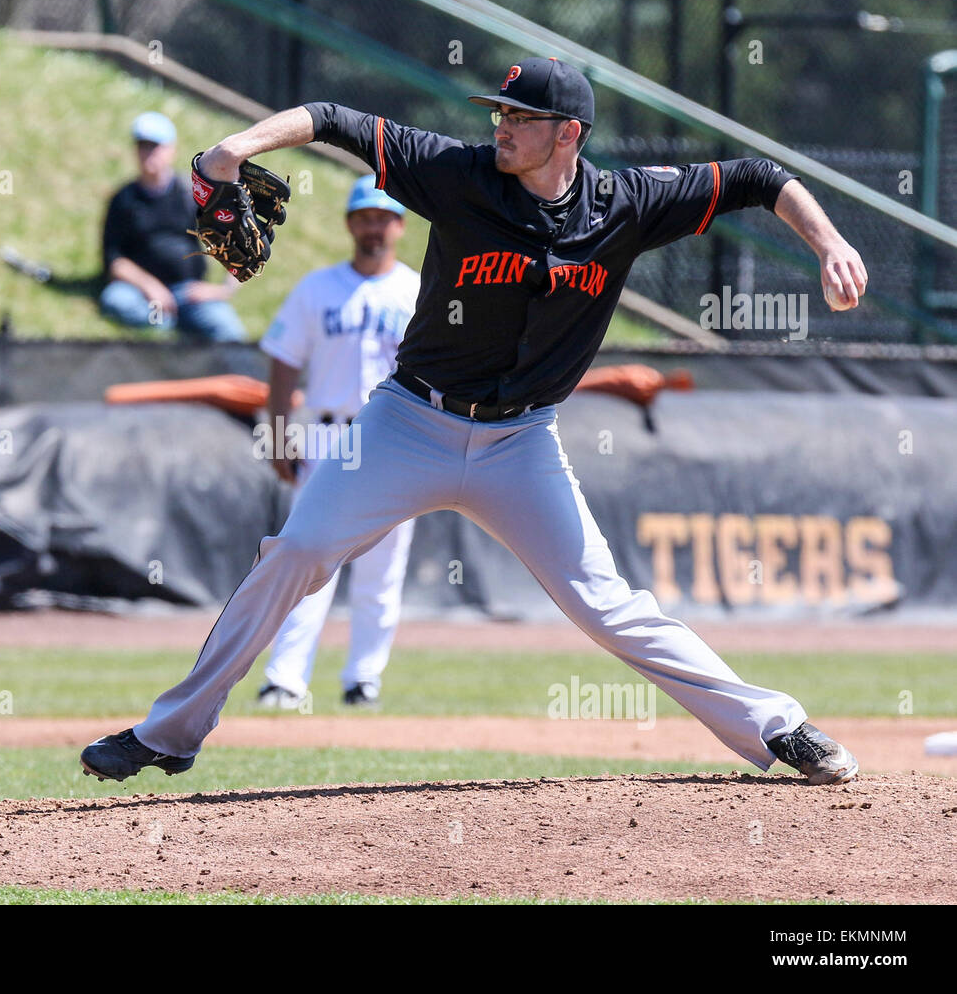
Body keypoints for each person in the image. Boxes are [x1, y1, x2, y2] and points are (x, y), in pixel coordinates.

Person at [82, 57, 869, 786]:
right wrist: (228, 150)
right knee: (298, 549)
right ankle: (170, 732)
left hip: (522, 442)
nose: (501, 126)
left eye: (520, 117)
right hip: (409, 420)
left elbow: (761, 178)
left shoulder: (628, 203)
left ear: (570, 134)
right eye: (498, 112)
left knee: (605, 603)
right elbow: (329, 117)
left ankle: (778, 725)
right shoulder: (455, 175)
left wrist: (828, 242)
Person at [256, 176, 420, 711]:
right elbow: (283, 361)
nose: (373, 226)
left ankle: (363, 678)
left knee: (383, 566)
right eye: (364, 216)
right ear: (350, 223)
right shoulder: (317, 287)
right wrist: (279, 434)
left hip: (396, 440)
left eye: (383, 216)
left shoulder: (419, 291)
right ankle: (284, 678)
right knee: (307, 558)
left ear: (399, 225)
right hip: (328, 435)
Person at [99, 112, 244, 342]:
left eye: (154, 146)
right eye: (142, 146)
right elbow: (114, 261)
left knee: (230, 331)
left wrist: (222, 290)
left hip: (188, 293)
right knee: (115, 300)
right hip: (141, 294)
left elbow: (238, 244)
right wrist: (150, 287)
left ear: (171, 150)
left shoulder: (193, 195)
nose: (148, 153)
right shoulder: (124, 200)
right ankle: (169, 327)